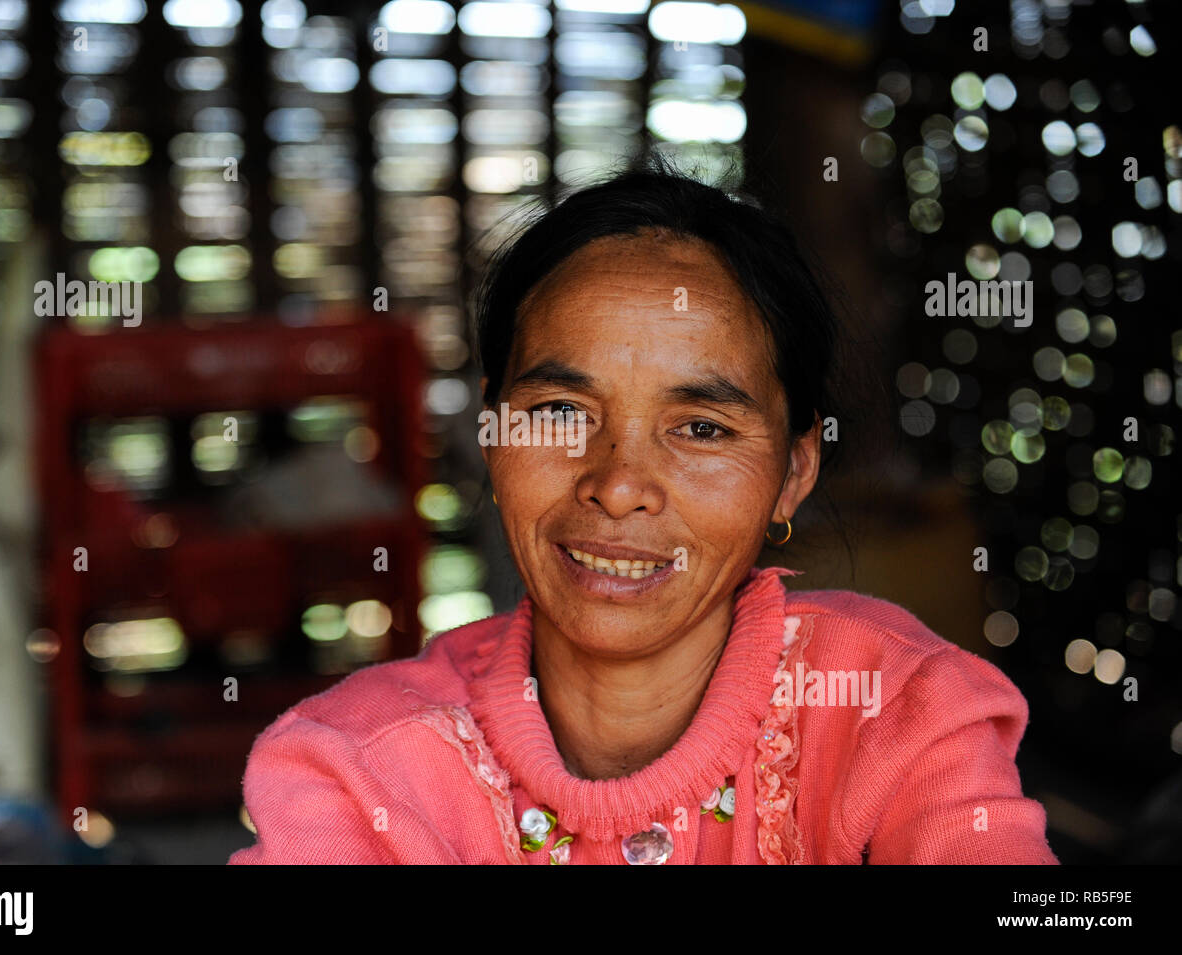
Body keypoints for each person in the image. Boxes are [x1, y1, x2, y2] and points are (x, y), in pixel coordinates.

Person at [229, 159, 1059, 865]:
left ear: (793, 471)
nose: (620, 484)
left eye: (701, 427)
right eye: (560, 411)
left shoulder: (893, 711)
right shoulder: (360, 767)